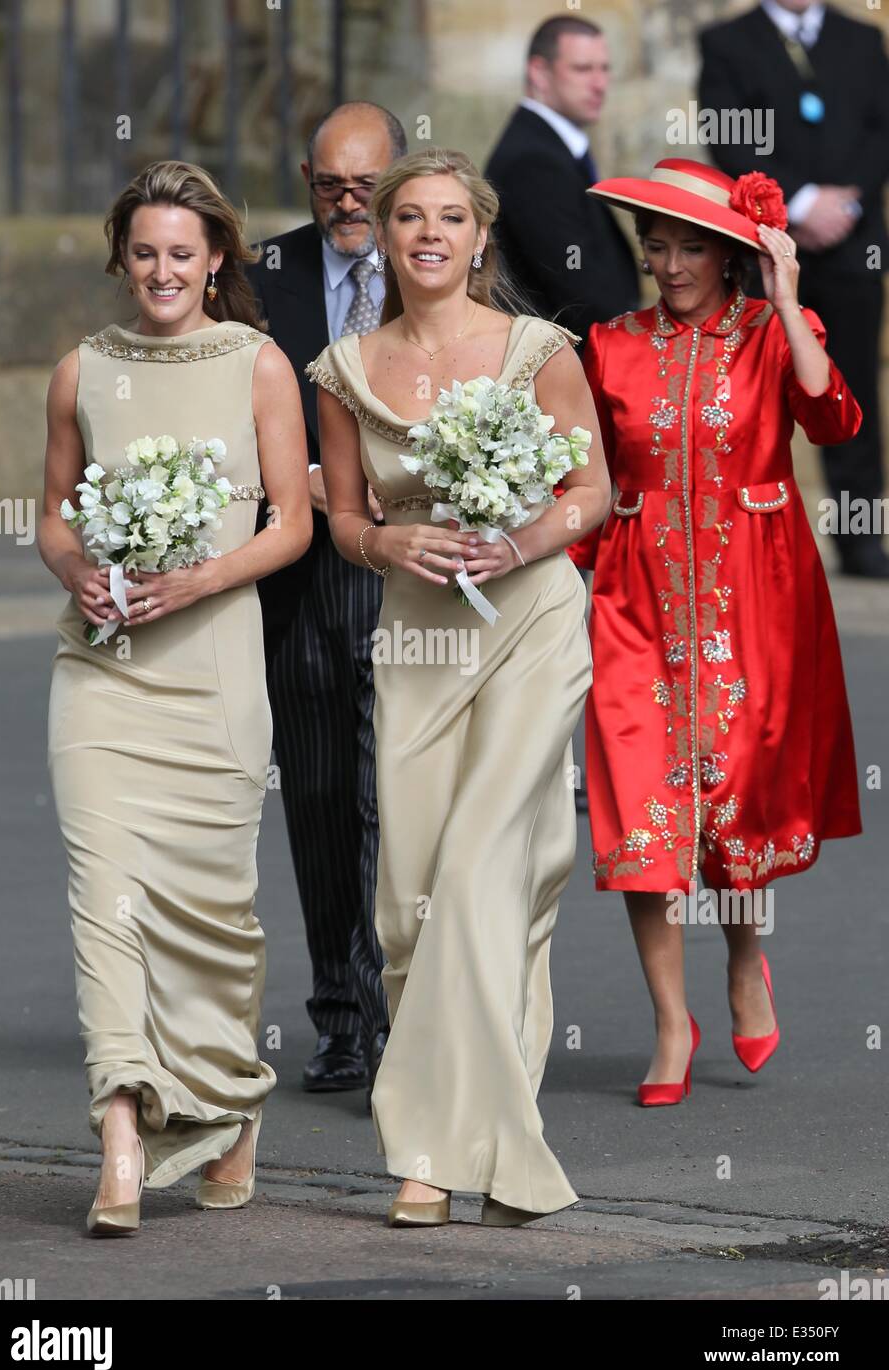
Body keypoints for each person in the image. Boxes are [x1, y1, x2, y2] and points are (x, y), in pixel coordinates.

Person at [306, 148, 610, 1225]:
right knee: (413, 901)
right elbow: (342, 521)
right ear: (381, 238)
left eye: (448, 218)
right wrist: (397, 545)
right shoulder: (342, 369)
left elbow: (593, 490)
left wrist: (516, 541)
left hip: (530, 624)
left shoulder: (538, 350)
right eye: (406, 219)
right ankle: (497, 1129)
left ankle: (429, 1154)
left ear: (480, 237)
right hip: (419, 644)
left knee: (481, 866)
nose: (427, 234)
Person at [39, 160, 313, 1233]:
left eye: (182, 255)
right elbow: (55, 514)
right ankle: (120, 1136)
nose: (162, 270)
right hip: (99, 673)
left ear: (215, 263)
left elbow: (292, 521)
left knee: (214, 917)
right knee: (104, 901)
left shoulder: (258, 364)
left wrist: (196, 576)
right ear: (123, 259)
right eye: (145, 252)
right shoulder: (79, 370)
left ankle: (231, 1103)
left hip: (212, 671)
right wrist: (78, 571)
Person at [572, 158, 862, 1105]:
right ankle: (668, 1020)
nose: (671, 263)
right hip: (634, 595)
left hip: (753, 593)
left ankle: (744, 960)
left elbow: (834, 420)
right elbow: (584, 480)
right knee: (641, 802)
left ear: (732, 250)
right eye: (656, 245)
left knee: (736, 796)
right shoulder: (608, 345)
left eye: (691, 245)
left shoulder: (773, 334)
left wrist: (787, 298)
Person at [246, 103, 404, 1104]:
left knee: (400, 799)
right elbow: (226, 402)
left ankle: (410, 1010)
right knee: (315, 799)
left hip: (413, 573)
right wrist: (292, 474)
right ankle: (341, 1019)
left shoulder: (442, 261)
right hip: (304, 573)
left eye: (366, 188)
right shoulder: (260, 276)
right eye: (329, 186)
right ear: (305, 175)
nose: (349, 206)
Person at [698, 0, 889, 578]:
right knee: (753, 392)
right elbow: (725, 135)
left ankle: (860, 541)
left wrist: (846, 202)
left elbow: (880, 129)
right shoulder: (727, 41)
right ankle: (740, 534)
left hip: (855, 247)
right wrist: (801, 202)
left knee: (852, 390)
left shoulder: (862, 39)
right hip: (768, 250)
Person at [485, 13, 639, 341]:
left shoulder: (552, 148)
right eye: (583, 69)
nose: (600, 83)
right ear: (539, 72)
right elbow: (577, 290)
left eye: (605, 69)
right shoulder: (533, 160)